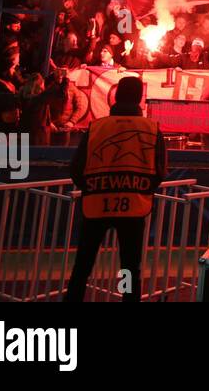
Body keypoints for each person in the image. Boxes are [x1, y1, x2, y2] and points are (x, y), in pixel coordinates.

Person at [65, 76, 167, 303]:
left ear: (116, 95)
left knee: (83, 265)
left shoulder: (97, 127)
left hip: (96, 205)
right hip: (133, 208)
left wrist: (93, 187)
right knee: (129, 267)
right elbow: (159, 170)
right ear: (140, 97)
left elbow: (76, 168)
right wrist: (139, 188)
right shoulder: (151, 129)